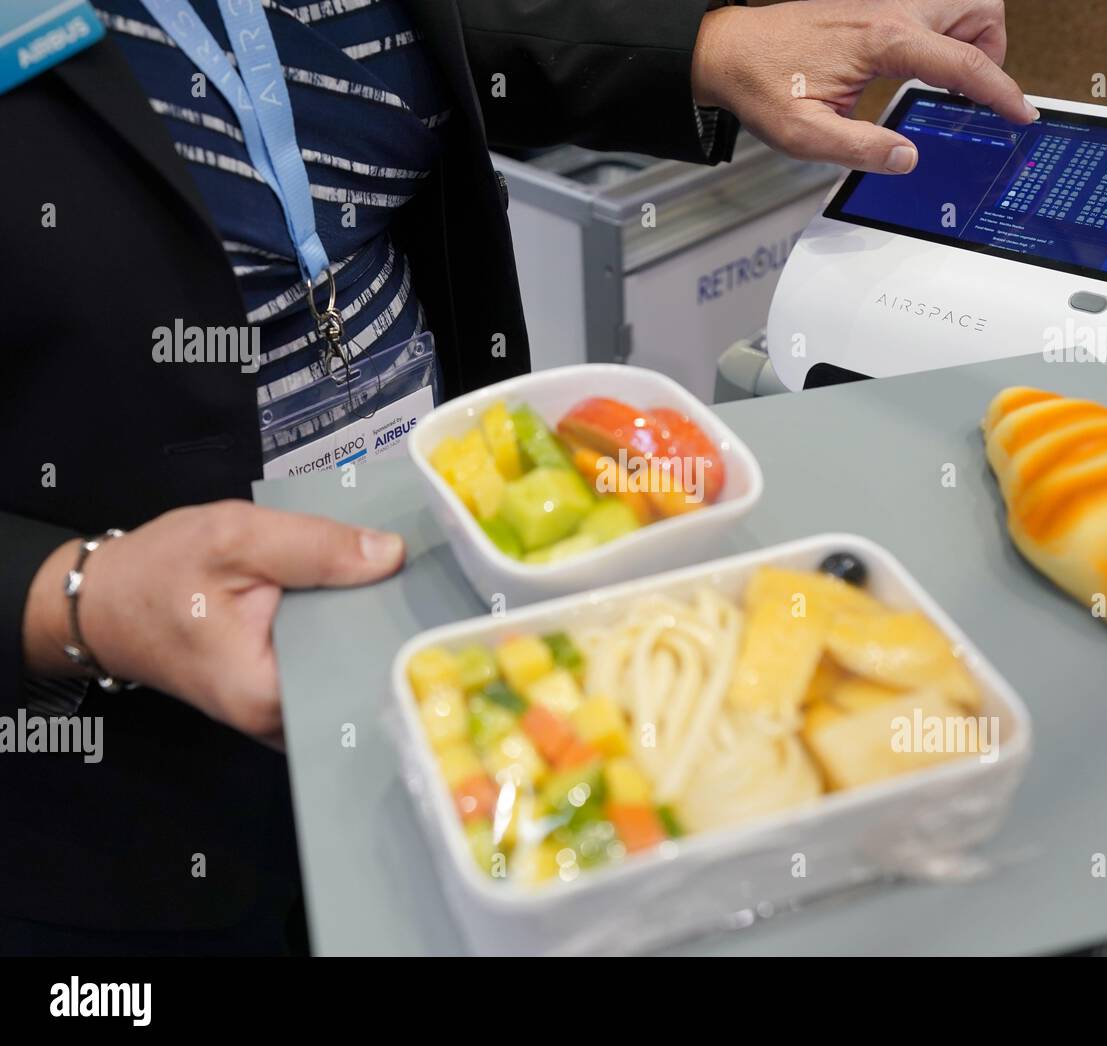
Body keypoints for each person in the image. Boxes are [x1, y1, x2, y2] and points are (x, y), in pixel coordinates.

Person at [0, 0, 1031, 954]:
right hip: (120, 763)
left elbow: (435, 33)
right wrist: (70, 594)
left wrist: (706, 49)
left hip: (436, 579)